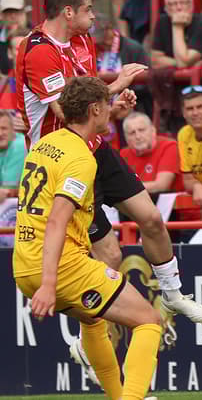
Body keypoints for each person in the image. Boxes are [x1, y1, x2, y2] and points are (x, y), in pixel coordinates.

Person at [14, 0, 202, 345]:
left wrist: (110, 110)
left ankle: (173, 293)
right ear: (68, 12)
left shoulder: (84, 41)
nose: (94, 16)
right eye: (88, 9)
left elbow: (86, 105)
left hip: (93, 146)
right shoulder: (38, 51)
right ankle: (92, 339)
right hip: (61, 157)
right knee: (109, 252)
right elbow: (68, 110)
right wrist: (116, 85)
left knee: (150, 217)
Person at [12, 76, 164, 400]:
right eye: (107, 106)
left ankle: (116, 395)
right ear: (95, 109)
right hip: (60, 266)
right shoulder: (82, 160)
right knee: (149, 321)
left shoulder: (44, 143)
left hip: (24, 262)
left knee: (92, 320)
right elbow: (56, 220)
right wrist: (49, 284)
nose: (111, 112)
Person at [149, 0, 202, 72]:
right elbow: (155, 61)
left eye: (183, 3)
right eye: (173, 4)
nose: (179, 8)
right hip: (172, 82)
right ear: (166, 8)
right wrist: (179, 63)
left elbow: (183, 62)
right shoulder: (162, 22)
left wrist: (177, 26)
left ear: (191, 5)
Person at [120, 111, 180, 194]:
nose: (138, 136)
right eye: (132, 133)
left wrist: (126, 188)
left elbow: (162, 185)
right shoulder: (123, 154)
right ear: (126, 138)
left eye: (141, 130)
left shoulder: (169, 146)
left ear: (153, 130)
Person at [0, 112, 26, 194]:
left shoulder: (19, 145)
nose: (0, 134)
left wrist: (6, 192)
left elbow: (8, 190)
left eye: (4, 128)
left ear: (13, 130)